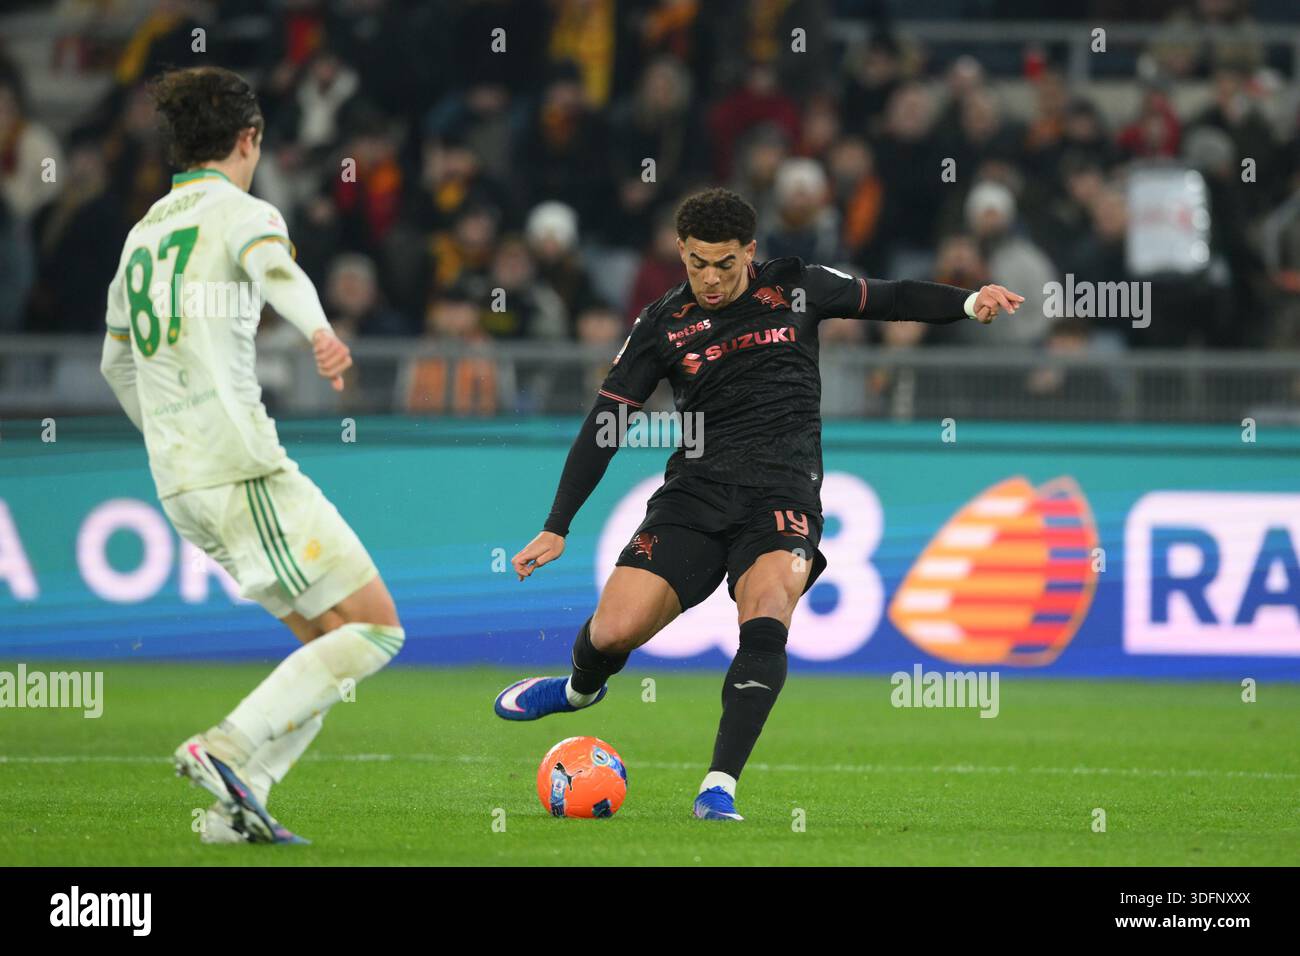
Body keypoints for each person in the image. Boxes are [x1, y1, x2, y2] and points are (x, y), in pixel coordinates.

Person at [494, 188, 1021, 820]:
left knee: (768, 609)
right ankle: (579, 692)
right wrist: (558, 525)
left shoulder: (799, 286)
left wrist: (968, 300)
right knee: (613, 630)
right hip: (695, 492)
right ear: (680, 253)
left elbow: (891, 297)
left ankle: (719, 786)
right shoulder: (662, 322)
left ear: (750, 252)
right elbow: (607, 421)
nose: (710, 279)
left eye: (724, 263)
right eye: (696, 263)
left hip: (783, 493)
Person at [99, 66, 403, 845]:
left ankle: (240, 803)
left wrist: (168, 436)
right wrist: (319, 331)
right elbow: (277, 270)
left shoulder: (143, 233)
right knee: (377, 630)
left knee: (326, 642)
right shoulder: (239, 211)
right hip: (240, 466)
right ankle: (227, 749)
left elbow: (115, 364)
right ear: (249, 140)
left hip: (181, 483)